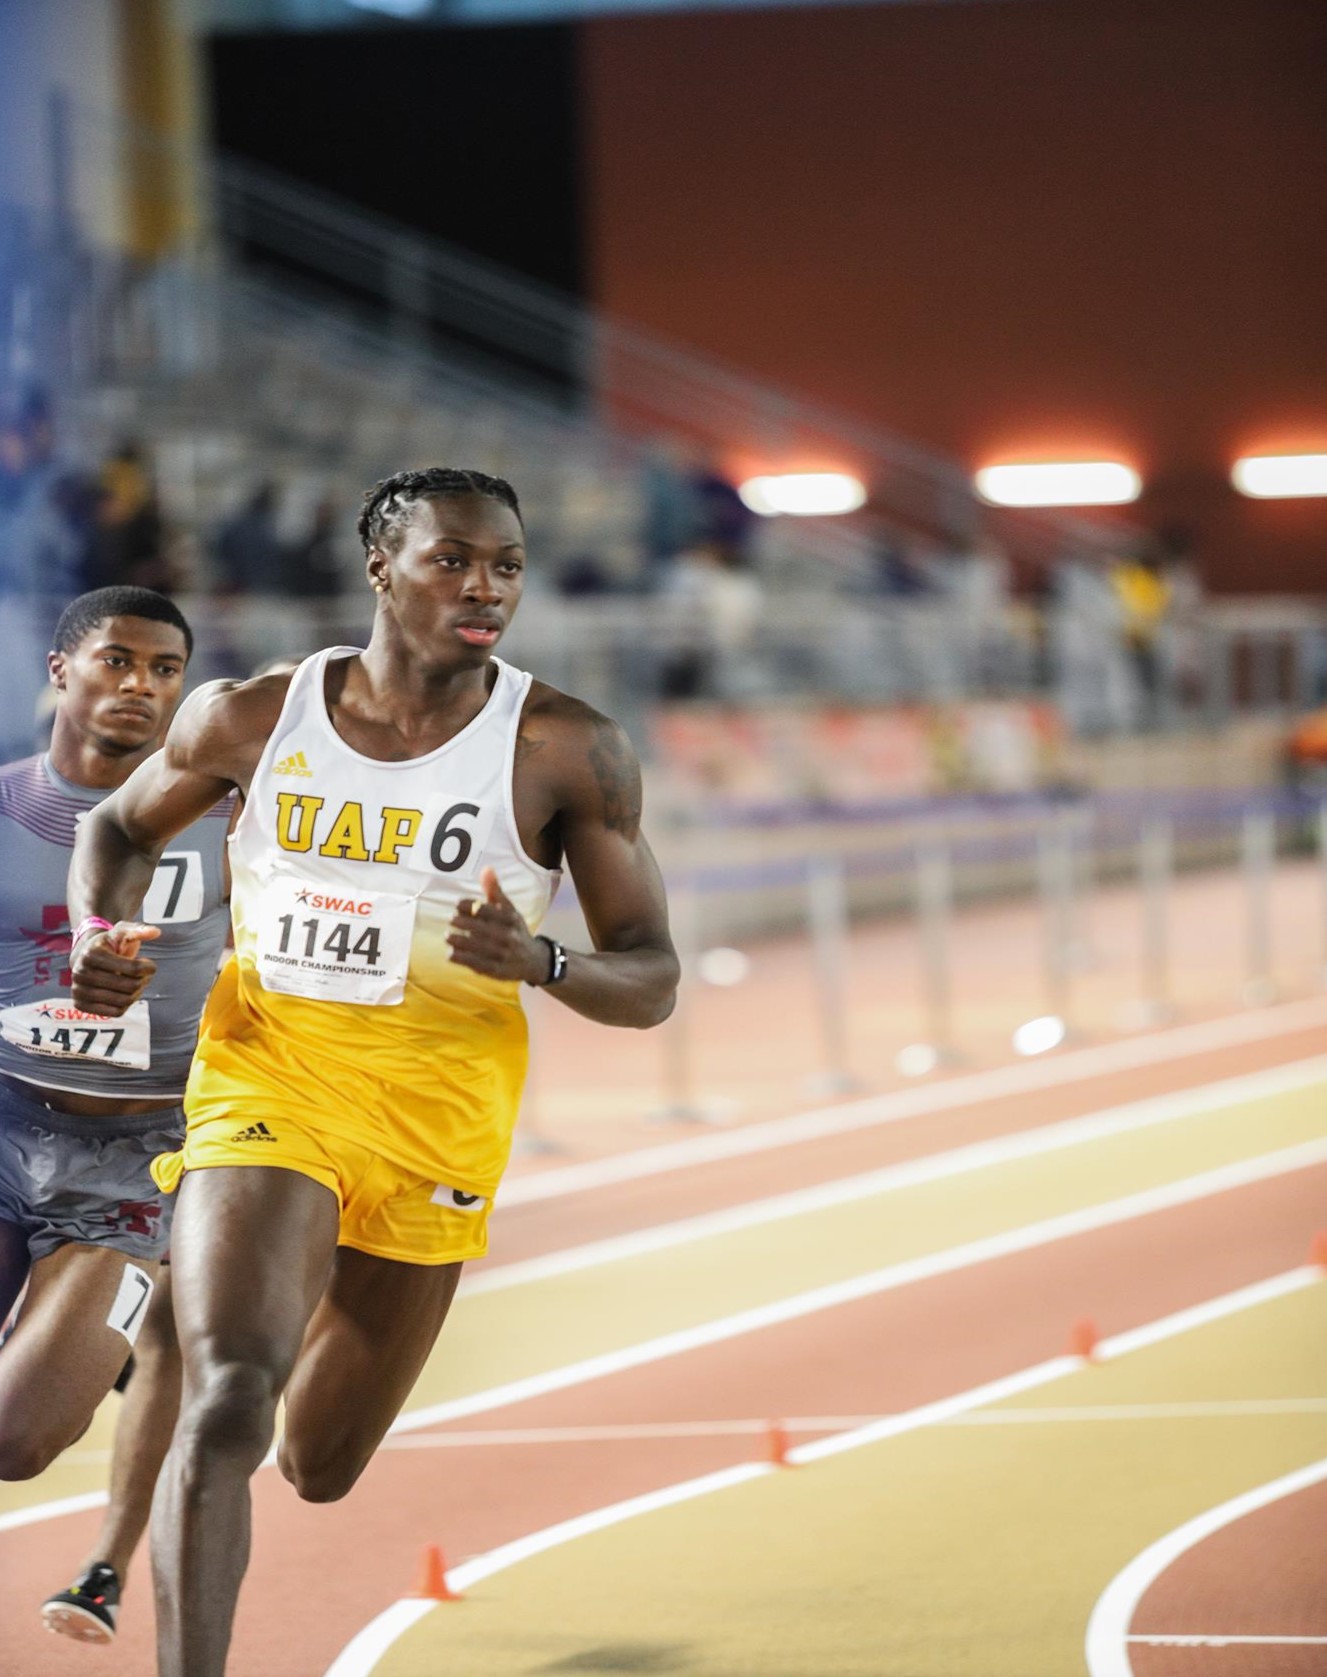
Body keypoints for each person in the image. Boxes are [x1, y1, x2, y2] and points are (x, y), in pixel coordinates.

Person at [67, 466, 680, 1677]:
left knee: (318, 1461)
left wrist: (542, 958)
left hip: (435, 1124)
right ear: (380, 568)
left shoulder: (564, 748)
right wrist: (103, 934)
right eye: (452, 559)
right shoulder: (252, 718)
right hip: (270, 1081)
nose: (485, 586)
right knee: (233, 1392)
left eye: (505, 564)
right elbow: (116, 829)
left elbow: (651, 977)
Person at [0, 586, 232, 1644]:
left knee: (22, 1433)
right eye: (117, 660)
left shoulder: (230, 817)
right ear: (62, 669)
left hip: (138, 1161)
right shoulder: (7, 806)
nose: (141, 684)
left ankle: (106, 1560)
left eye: (166, 668)